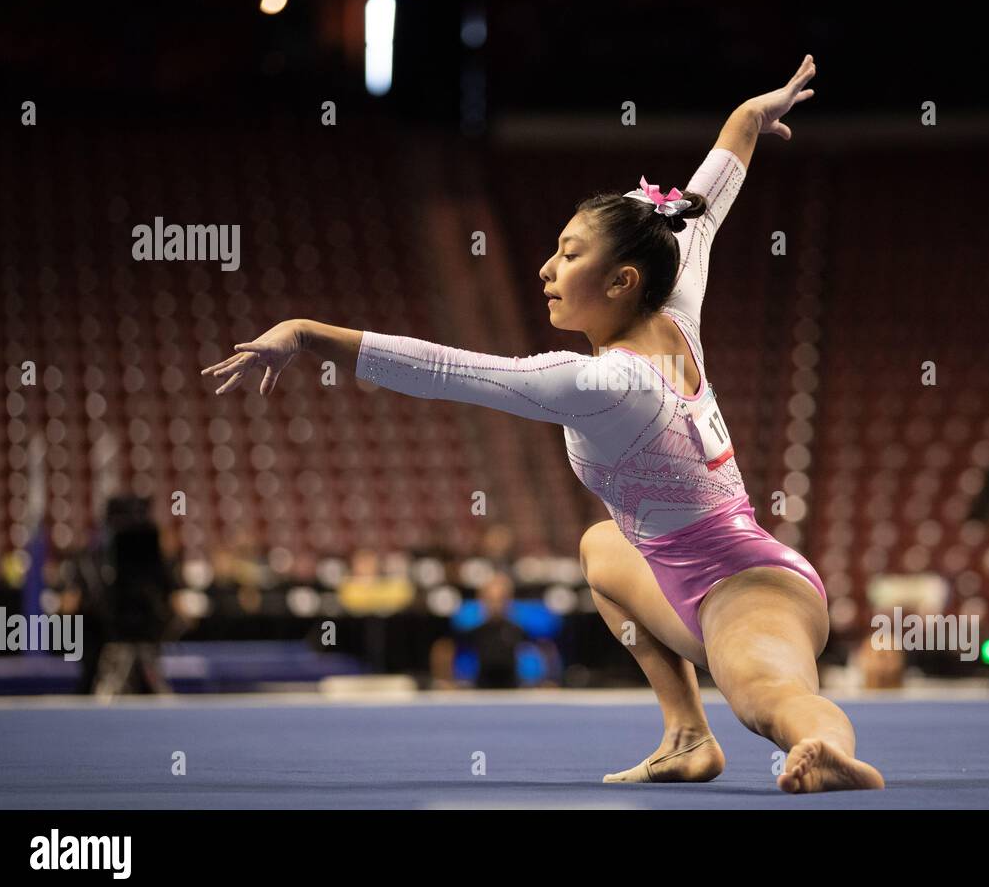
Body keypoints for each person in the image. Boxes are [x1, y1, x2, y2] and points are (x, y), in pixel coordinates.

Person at [203, 56, 882, 792]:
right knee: (601, 547)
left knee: (768, 700)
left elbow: (441, 369)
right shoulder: (673, 293)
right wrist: (753, 116)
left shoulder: (603, 383)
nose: (546, 271)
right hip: (684, 578)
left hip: (747, 586)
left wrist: (305, 331)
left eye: (568, 254)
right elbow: (708, 196)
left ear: (621, 281)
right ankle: (687, 735)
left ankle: (827, 752)